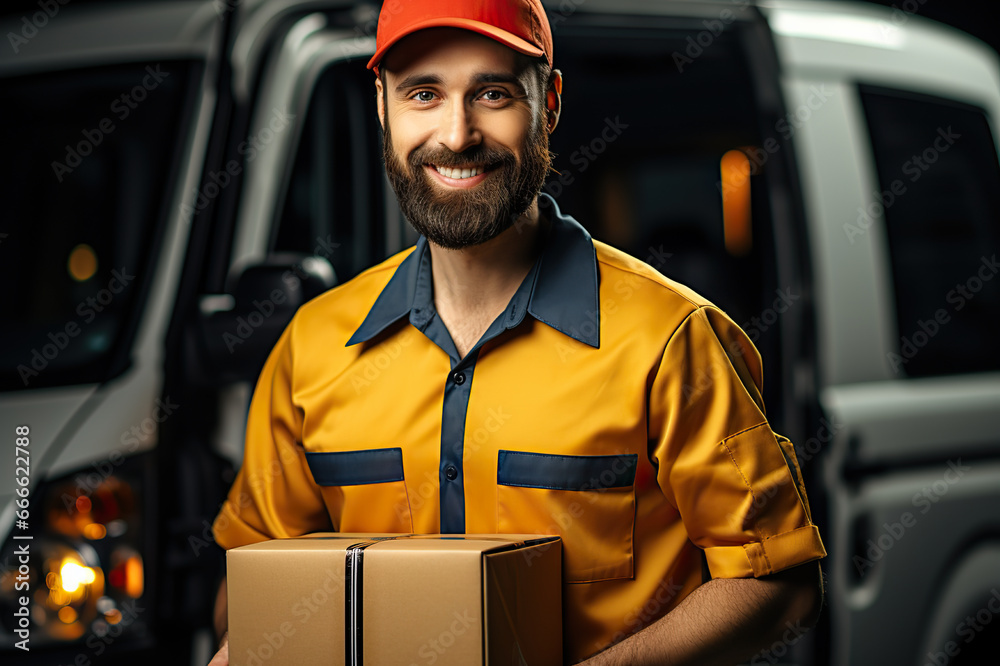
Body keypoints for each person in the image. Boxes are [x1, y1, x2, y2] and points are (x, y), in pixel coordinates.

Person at [208, 1, 826, 663]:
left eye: (493, 93)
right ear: (383, 108)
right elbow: (247, 589)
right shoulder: (314, 346)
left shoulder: (670, 338)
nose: (457, 133)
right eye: (423, 93)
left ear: (549, 103)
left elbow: (776, 582)